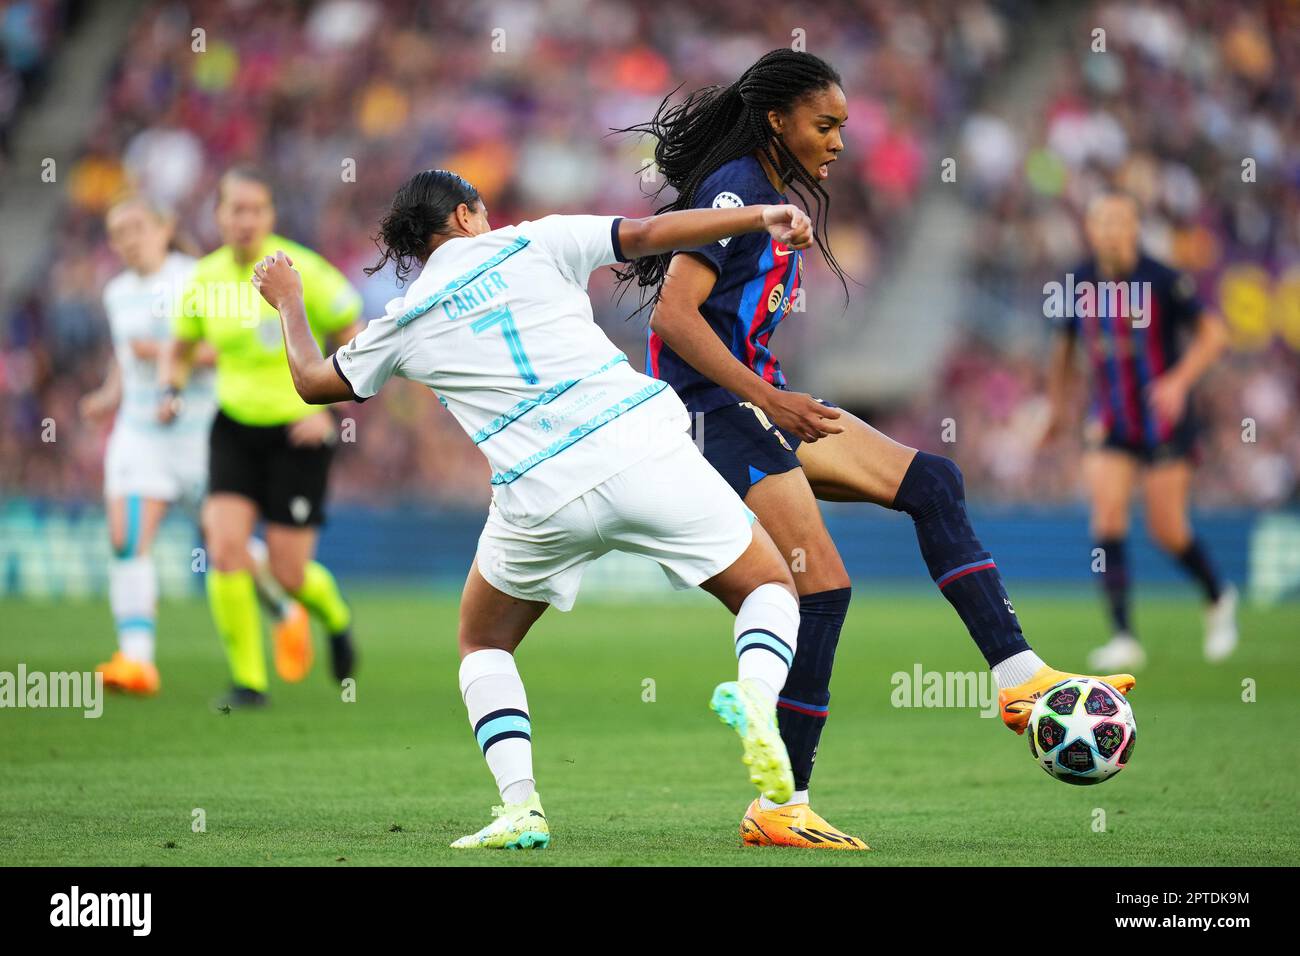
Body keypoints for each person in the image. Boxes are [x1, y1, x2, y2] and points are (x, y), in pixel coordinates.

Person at [616, 48, 1135, 850]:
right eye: (825, 125)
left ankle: (1018, 678)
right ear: (777, 121)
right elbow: (672, 320)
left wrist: (773, 396)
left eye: (844, 127)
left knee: (933, 482)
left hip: (759, 403)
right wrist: (768, 396)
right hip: (712, 411)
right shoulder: (736, 191)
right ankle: (780, 805)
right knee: (822, 588)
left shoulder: (768, 192)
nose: (838, 142)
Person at [251, 168, 819, 850]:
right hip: (639, 449)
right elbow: (643, 235)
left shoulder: (403, 321)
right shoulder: (535, 243)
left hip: (537, 493)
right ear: (465, 216)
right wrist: (756, 216)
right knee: (767, 587)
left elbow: (314, 383)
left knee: (482, 642)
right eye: (481, 211)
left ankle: (521, 808)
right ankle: (755, 696)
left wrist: (288, 301)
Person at [159, 167, 362, 708]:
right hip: (234, 429)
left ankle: (335, 618)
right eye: (235, 209)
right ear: (218, 216)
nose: (246, 220)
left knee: (288, 571)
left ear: (270, 216)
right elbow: (180, 349)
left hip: (298, 432)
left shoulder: (302, 271)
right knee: (224, 548)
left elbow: (355, 335)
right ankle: (248, 682)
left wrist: (331, 407)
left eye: (256, 210)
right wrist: (169, 390)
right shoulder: (204, 279)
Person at [80, 196, 300, 695]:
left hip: (200, 435)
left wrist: (161, 357)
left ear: (163, 227)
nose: (128, 240)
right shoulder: (117, 292)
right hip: (139, 434)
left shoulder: (196, 276)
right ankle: (137, 662)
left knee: (228, 549)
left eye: (136, 226)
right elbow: (124, 356)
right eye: (118, 233)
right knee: (126, 538)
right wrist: (108, 396)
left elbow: (225, 345)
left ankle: (286, 610)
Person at [1042, 191, 1237, 670]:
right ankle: (1124, 636)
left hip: (1163, 417)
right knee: (1107, 518)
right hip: (1111, 419)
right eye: (1100, 221)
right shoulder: (1079, 281)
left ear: (1134, 228)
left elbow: (1215, 336)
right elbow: (1064, 349)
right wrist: (1057, 409)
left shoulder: (1165, 280)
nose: (1109, 230)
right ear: (1089, 229)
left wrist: (1177, 381)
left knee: (1167, 529)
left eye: (1118, 221)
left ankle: (1218, 595)